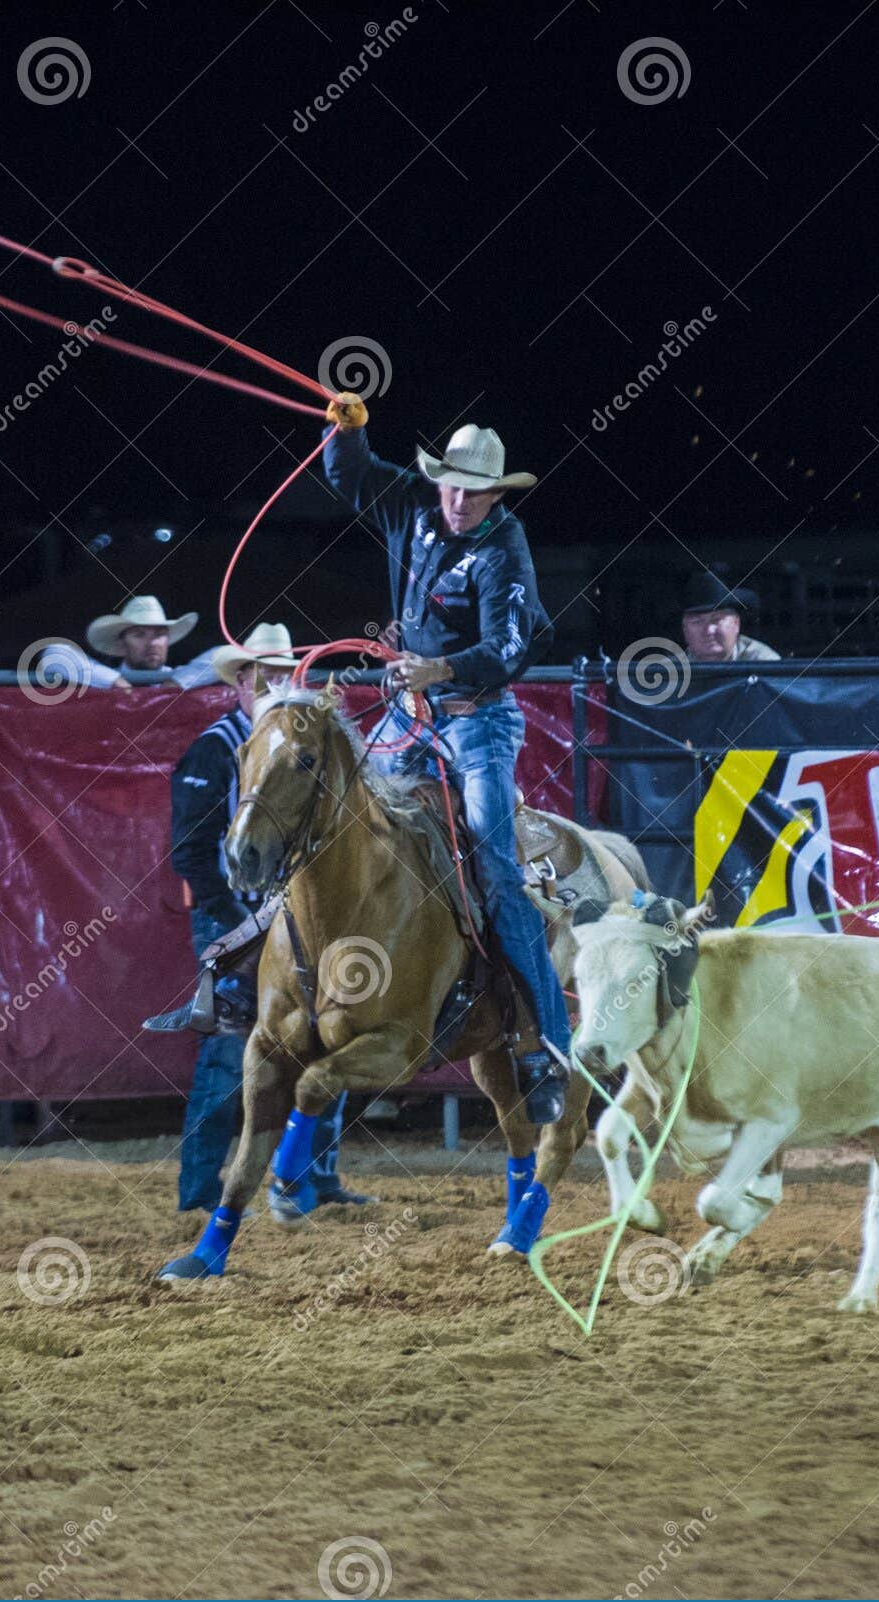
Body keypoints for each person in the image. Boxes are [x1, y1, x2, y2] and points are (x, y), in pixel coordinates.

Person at [322, 391, 570, 1126]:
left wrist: (440, 671)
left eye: (473, 490)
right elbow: (351, 475)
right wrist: (347, 428)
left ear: (496, 495)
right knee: (349, 826)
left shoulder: (504, 548)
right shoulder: (414, 507)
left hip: (476, 723)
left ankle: (545, 1044)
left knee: (493, 860)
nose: (458, 499)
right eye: (451, 485)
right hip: (411, 718)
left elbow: (510, 648)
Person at [168, 621, 372, 1220]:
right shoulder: (215, 747)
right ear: (243, 680)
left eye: (284, 674)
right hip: (236, 918)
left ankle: (314, 1177)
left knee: (328, 1038)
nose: (274, 683)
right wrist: (238, 927)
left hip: (296, 919)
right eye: (264, 674)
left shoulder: (285, 747)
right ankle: (202, 1193)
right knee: (229, 1056)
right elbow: (191, 854)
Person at [38, 593, 219, 691]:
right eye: (140, 635)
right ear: (122, 644)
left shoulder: (184, 677)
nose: (152, 643)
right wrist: (114, 682)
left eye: (159, 634)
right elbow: (54, 653)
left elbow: (224, 655)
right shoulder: (100, 680)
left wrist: (177, 683)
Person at [679, 568, 780, 663]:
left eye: (716, 620)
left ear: (736, 624)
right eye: (697, 622)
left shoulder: (763, 662)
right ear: (685, 630)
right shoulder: (670, 671)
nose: (709, 631)